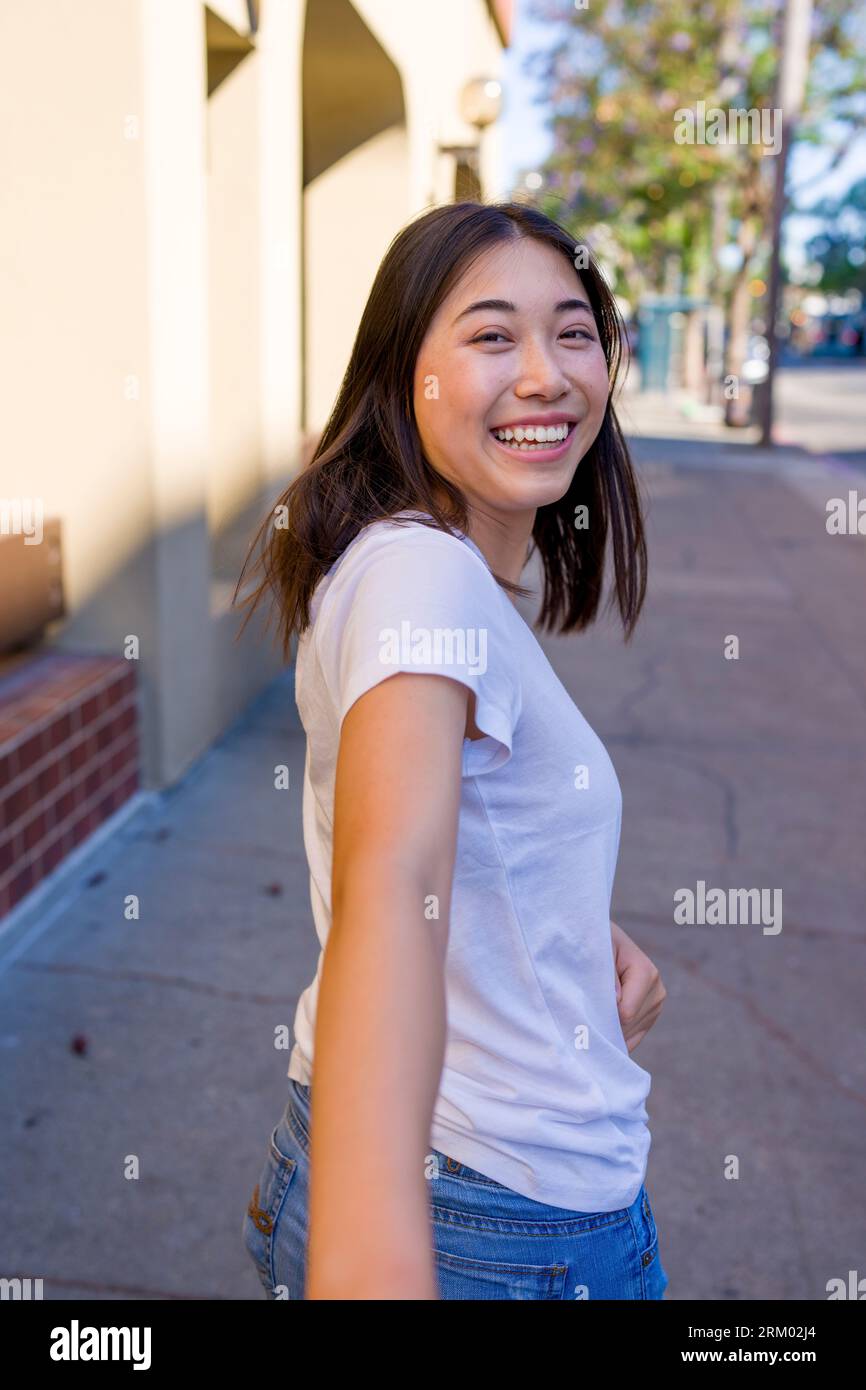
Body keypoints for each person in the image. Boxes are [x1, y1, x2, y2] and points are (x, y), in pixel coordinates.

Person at [235, 200, 668, 1300]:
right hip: (489, 1221)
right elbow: (397, 884)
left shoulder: (427, 572)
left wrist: (561, 929)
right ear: (402, 371)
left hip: (483, 1198)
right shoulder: (422, 577)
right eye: (490, 336)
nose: (545, 374)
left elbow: (444, 839)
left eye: (573, 333)